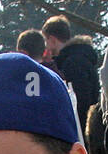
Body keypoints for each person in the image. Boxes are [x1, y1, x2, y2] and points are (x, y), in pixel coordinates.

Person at [42, 14, 101, 144]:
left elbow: (80, 99)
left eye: (46, 41)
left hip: (81, 131)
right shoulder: (79, 57)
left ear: (52, 39)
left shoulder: (73, 62)